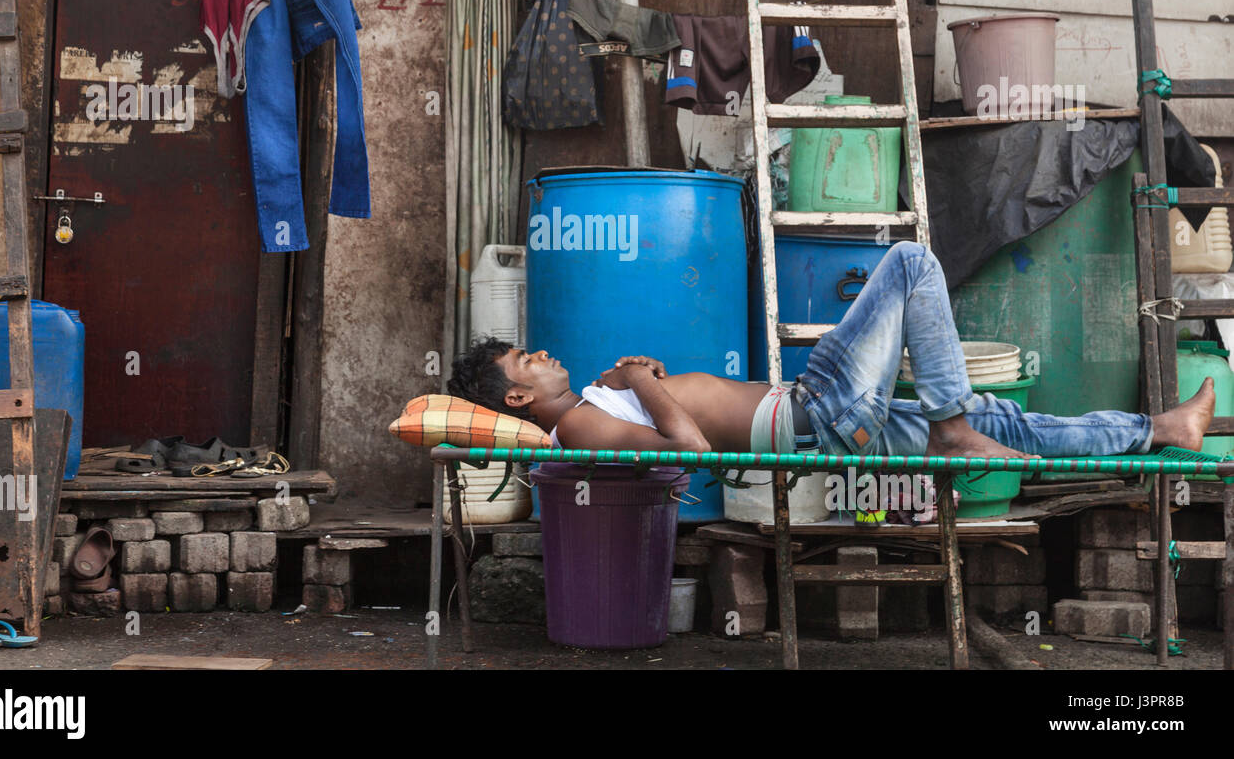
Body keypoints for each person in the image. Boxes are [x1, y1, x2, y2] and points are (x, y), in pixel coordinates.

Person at [446, 241, 1214, 461]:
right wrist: (645, 381)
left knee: (1005, 421)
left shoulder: (585, 405)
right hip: (815, 410)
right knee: (912, 262)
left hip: (820, 412)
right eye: (525, 360)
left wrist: (638, 381)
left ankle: (1159, 431)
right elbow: (682, 449)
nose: (542, 353)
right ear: (518, 398)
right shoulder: (574, 427)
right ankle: (951, 428)